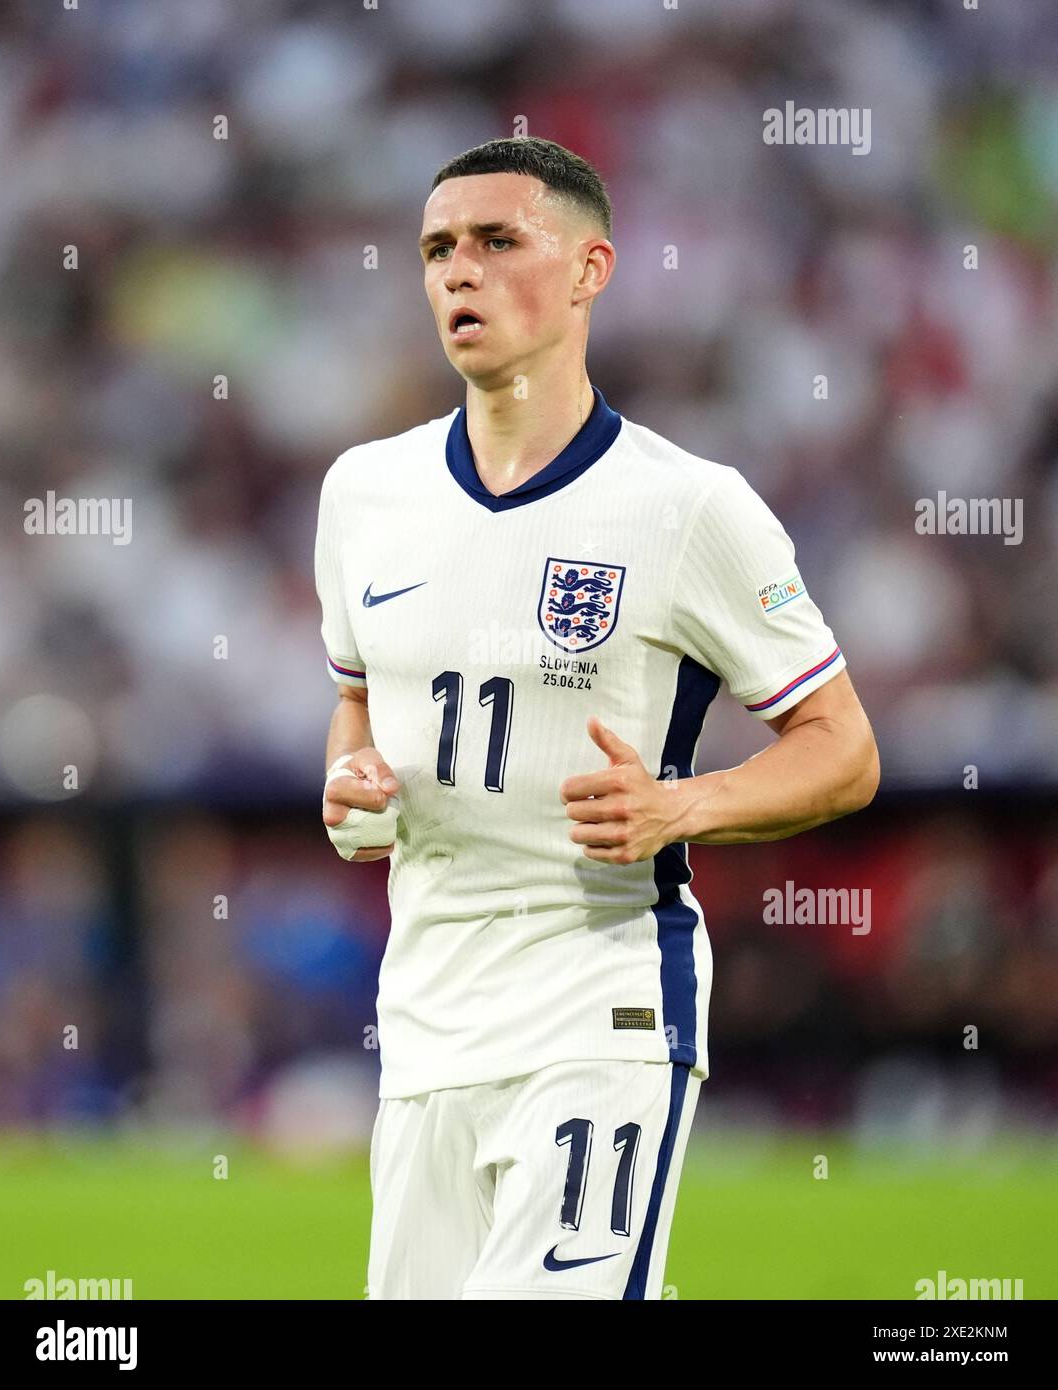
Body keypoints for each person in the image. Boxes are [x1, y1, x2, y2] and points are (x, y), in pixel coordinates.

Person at [313, 136, 879, 1300]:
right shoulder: (363, 494)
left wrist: (687, 803)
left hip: (599, 1002)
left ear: (590, 269)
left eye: (496, 241)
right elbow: (356, 698)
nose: (458, 273)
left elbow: (844, 750)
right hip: (421, 1020)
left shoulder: (687, 507)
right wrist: (353, 785)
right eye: (436, 251)